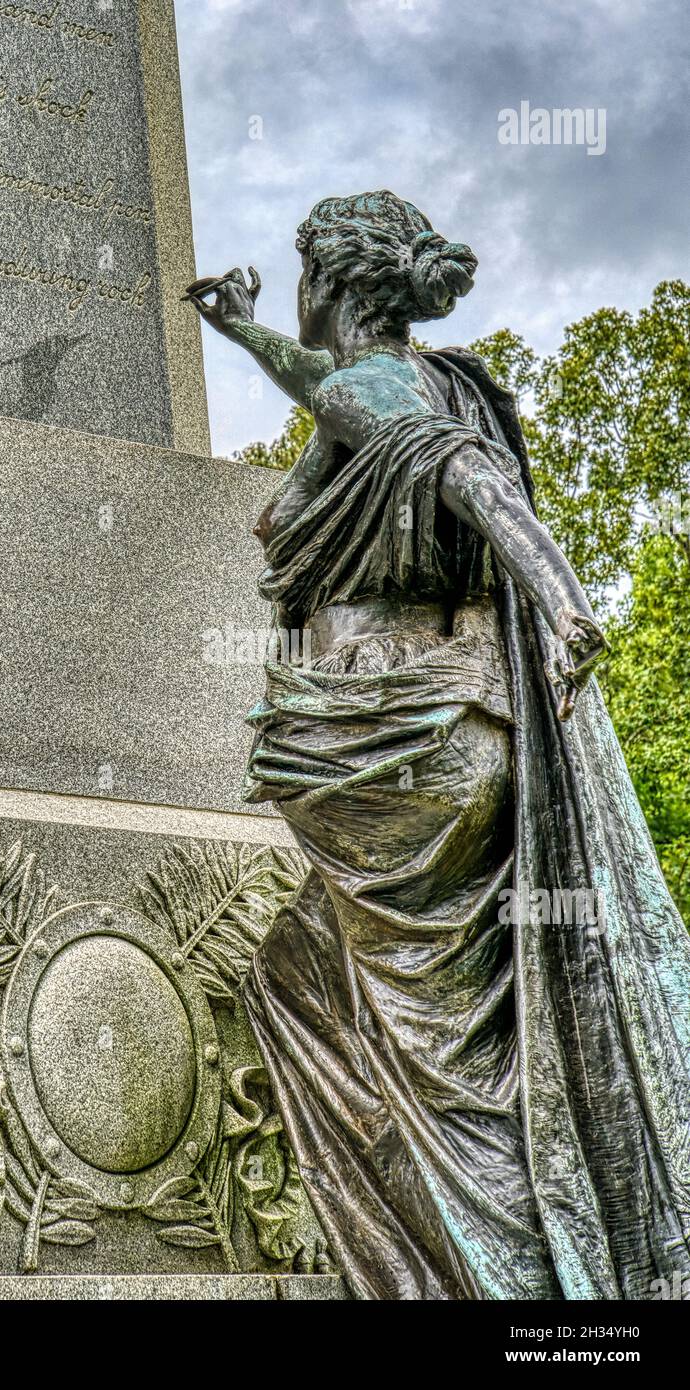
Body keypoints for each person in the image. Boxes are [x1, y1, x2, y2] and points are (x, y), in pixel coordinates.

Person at [185, 191, 690, 1300]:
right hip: (449, 738)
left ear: (335, 287)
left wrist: (563, 605)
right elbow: (301, 448)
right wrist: (246, 340)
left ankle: (504, 1283)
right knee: (325, 991)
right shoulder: (388, 385)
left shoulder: (375, 387)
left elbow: (477, 486)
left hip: (388, 752)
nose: (294, 294)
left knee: (397, 1036)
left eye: (301, 274)